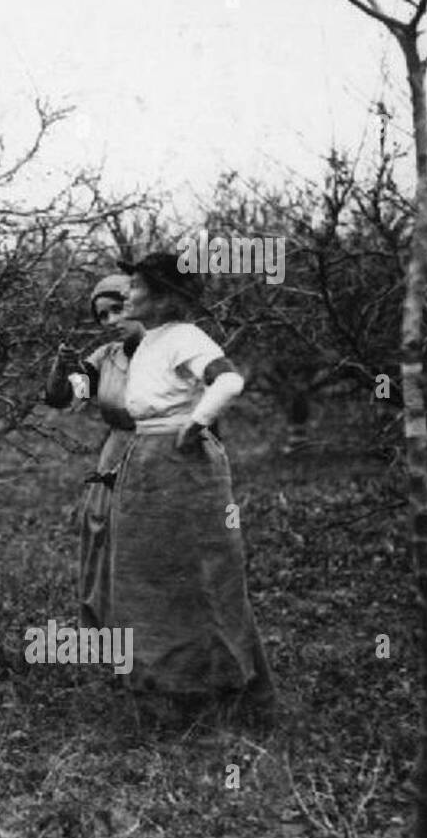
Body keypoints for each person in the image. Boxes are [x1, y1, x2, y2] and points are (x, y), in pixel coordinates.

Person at [108, 252, 275, 721]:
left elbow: (228, 381)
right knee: (148, 577)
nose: (127, 294)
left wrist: (197, 423)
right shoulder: (151, 340)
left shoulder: (184, 337)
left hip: (180, 466)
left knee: (200, 575)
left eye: (137, 286)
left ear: (164, 297)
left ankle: (218, 691)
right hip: (146, 463)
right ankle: (166, 693)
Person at [44, 274, 143, 628]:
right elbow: (67, 396)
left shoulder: (167, 350)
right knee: (102, 529)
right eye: (103, 316)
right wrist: (64, 366)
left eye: (119, 309)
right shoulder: (106, 357)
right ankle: (106, 623)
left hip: (156, 450)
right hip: (116, 451)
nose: (111, 321)